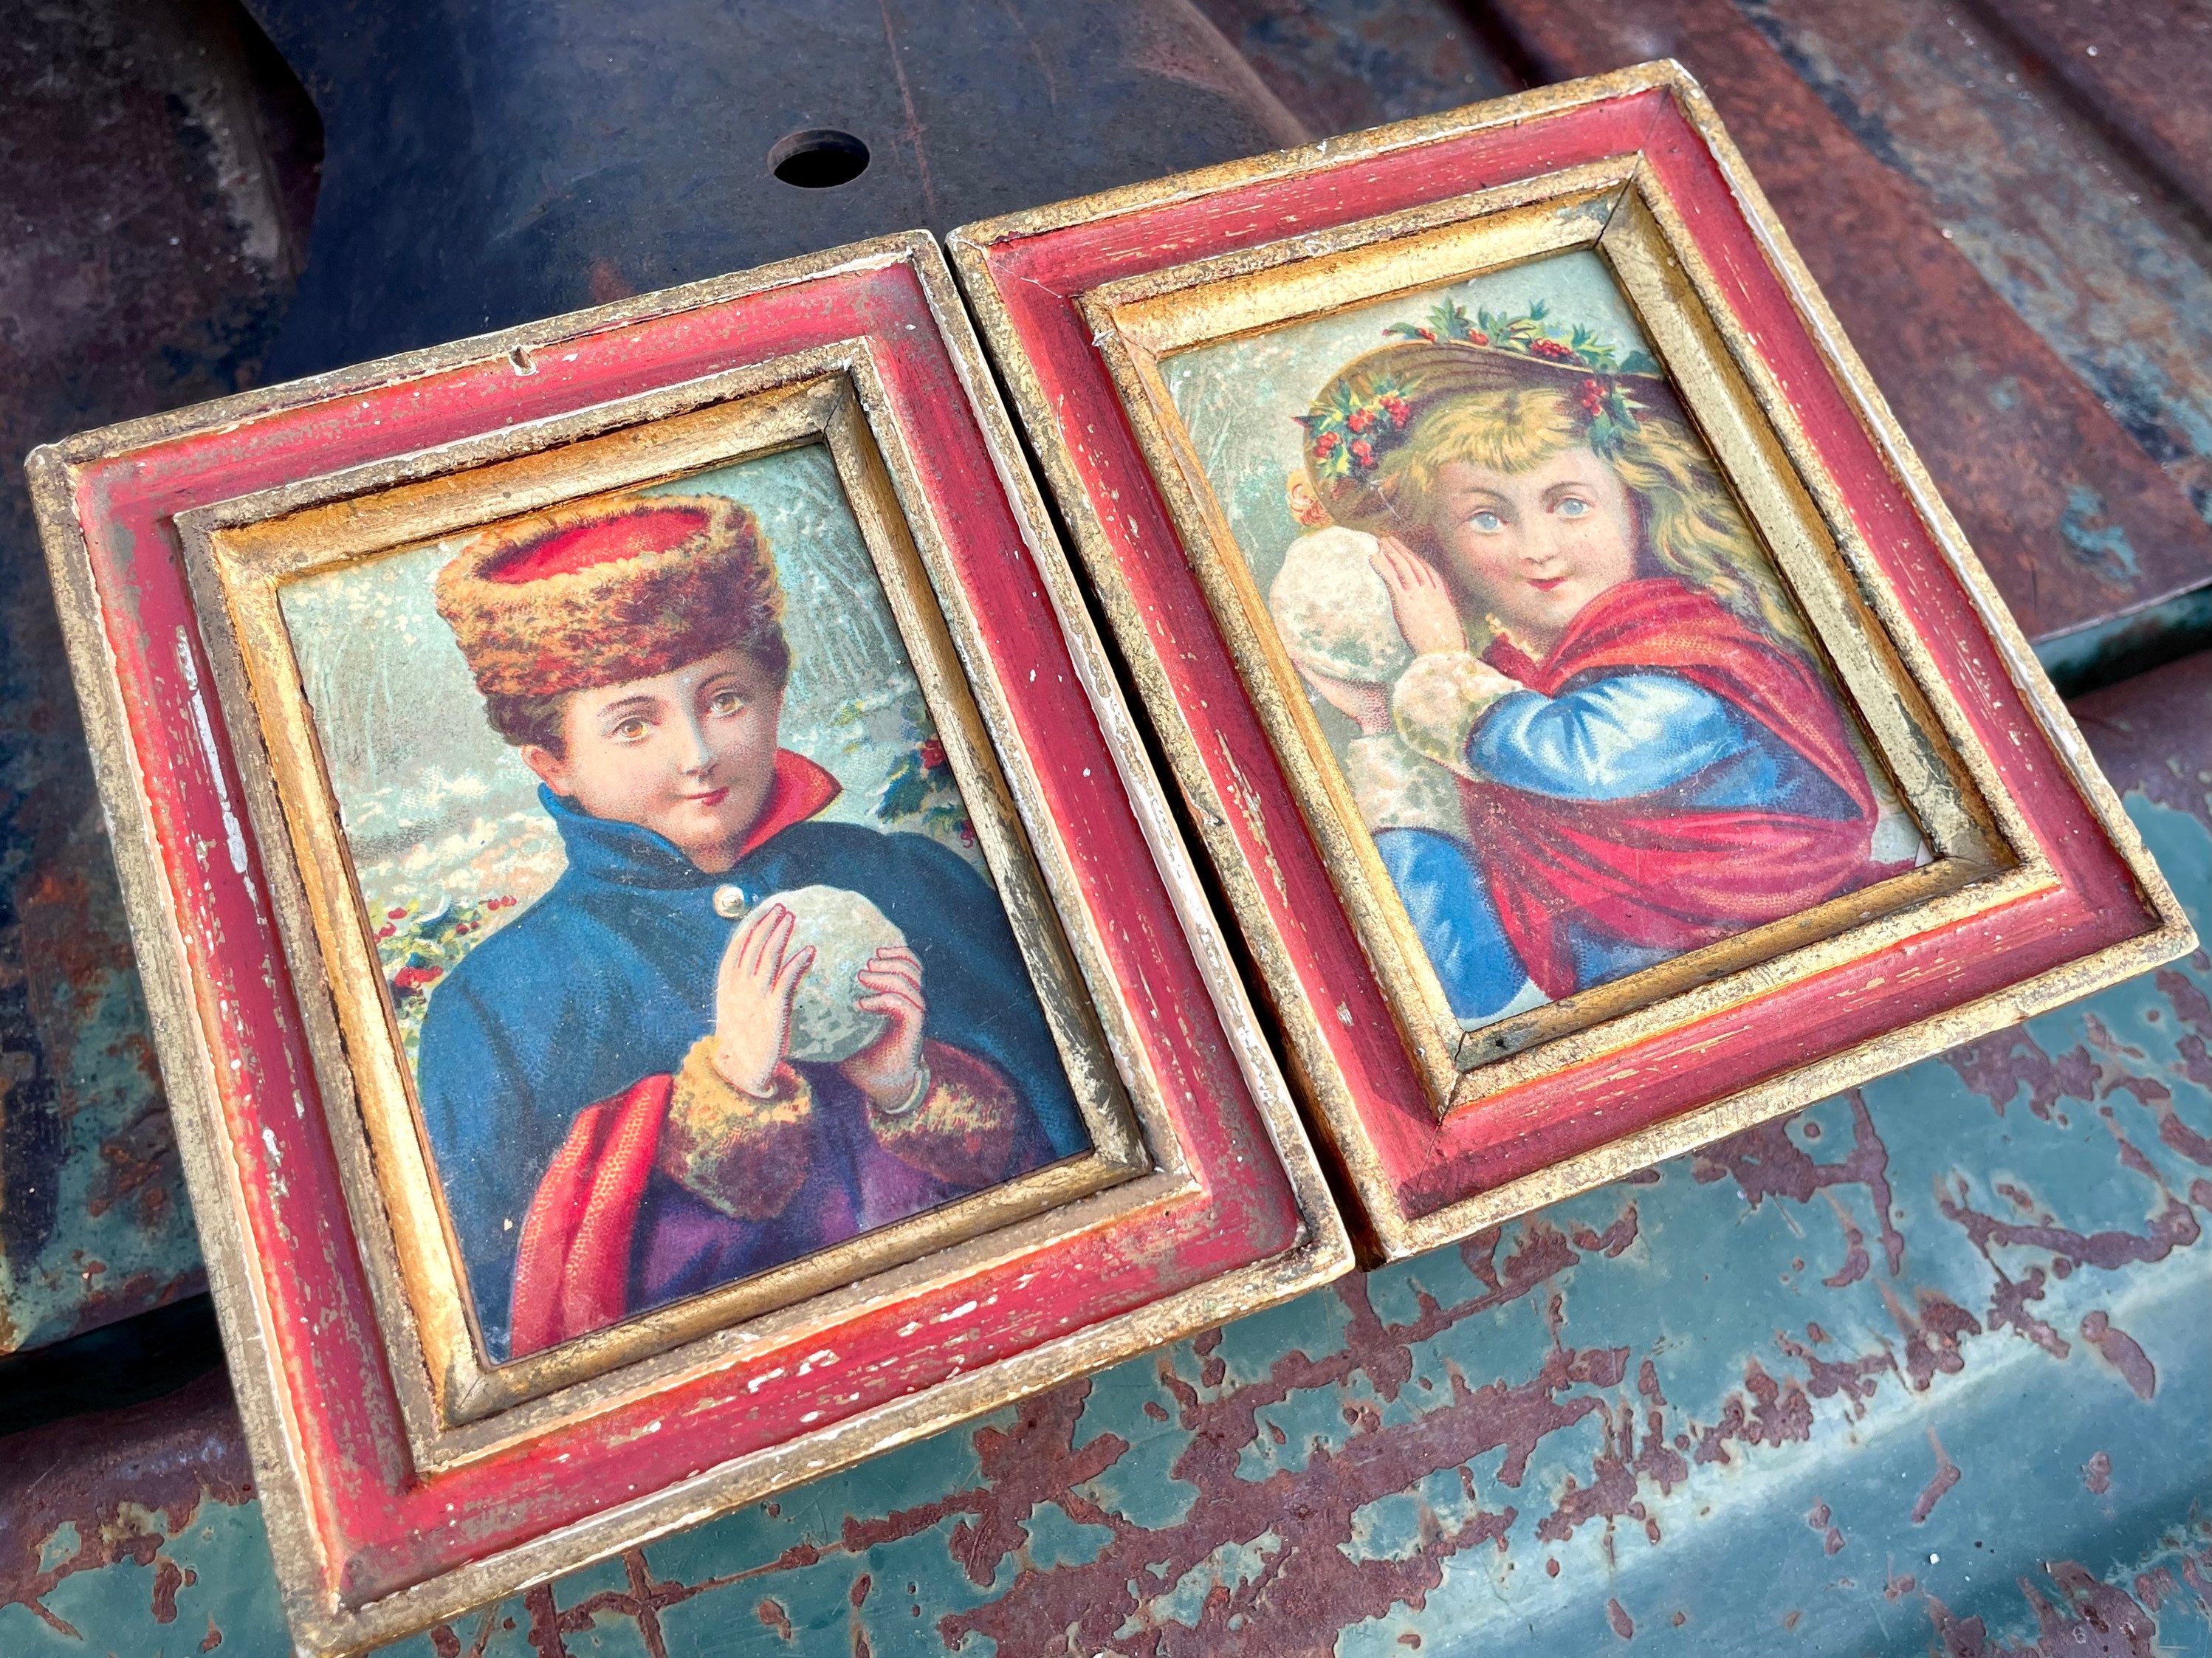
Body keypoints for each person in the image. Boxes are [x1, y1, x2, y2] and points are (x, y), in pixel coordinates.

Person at [414, 492, 1087, 1360]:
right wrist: (727, 1093)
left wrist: (909, 1089)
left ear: (775, 695)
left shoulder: (906, 881)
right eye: (633, 723)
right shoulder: (500, 1006)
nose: (696, 752)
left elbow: (1081, 1151)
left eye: (725, 698)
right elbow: (516, 1323)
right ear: (553, 764)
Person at [1285, 306, 1906, 1025]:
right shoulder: (1497, 681)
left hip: (1807, 979)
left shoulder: (1685, 648)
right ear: (1437, 546)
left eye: (1569, 504)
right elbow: (1460, 980)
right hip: (1624, 1023)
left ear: (1633, 507)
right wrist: (1379, 726)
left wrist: (1441, 667)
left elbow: (1580, 755)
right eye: (1487, 518)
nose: (1536, 547)